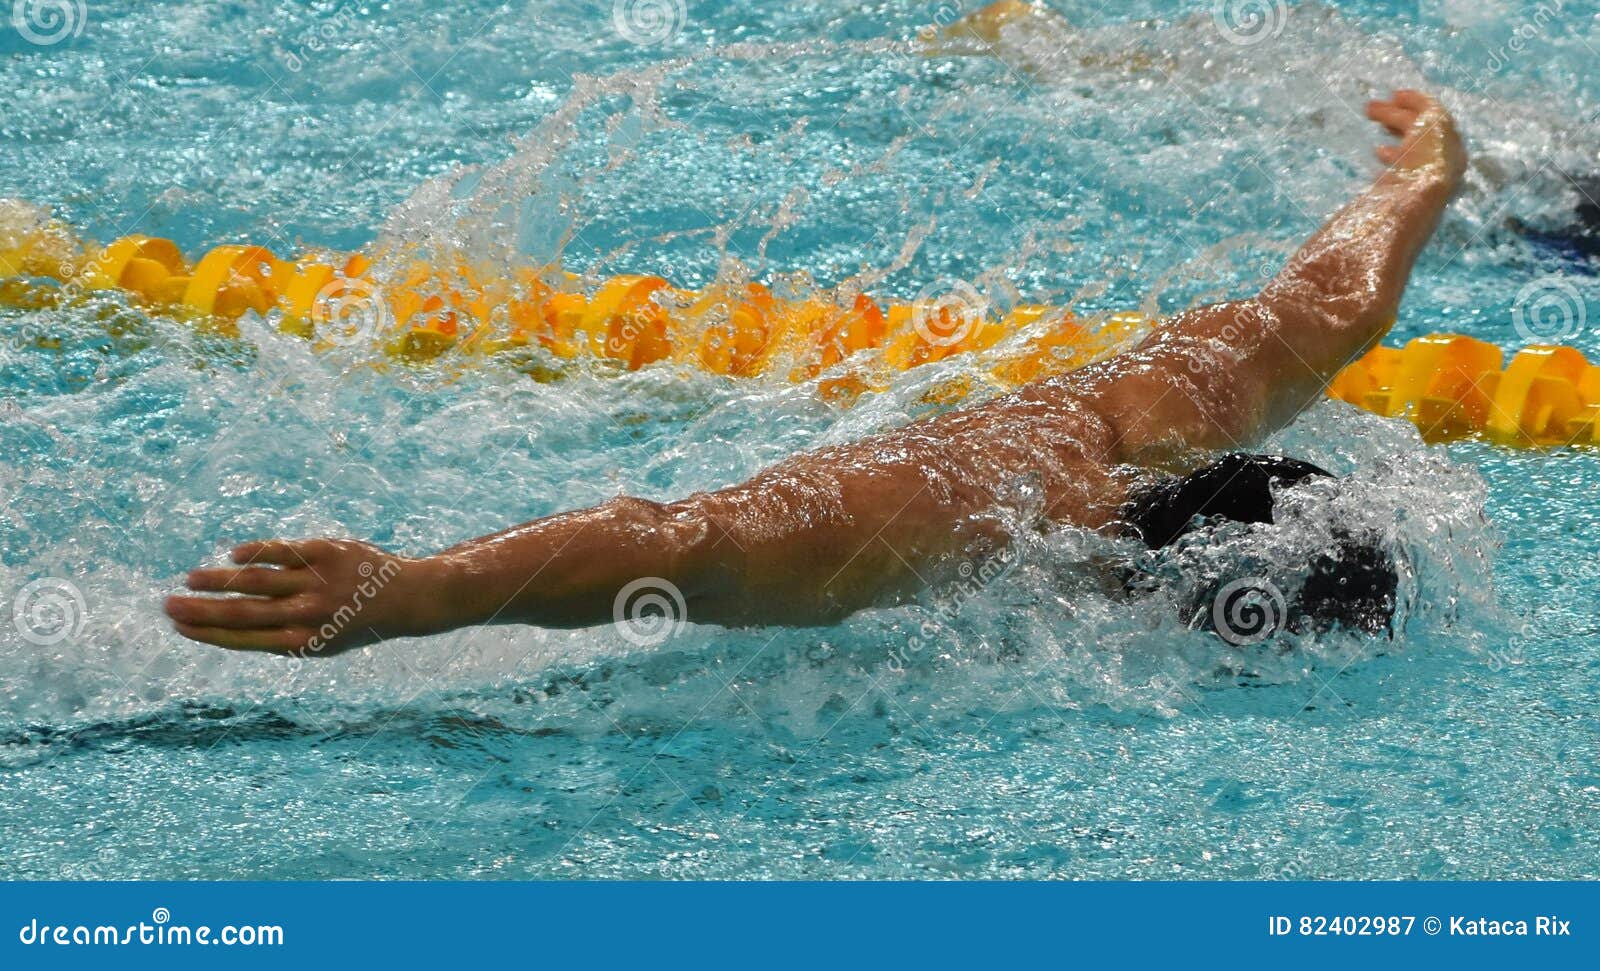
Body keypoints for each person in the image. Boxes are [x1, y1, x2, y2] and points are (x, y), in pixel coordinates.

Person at [164, 90, 1465, 657]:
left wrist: (1432, 168)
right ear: (1151, 594)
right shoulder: (953, 521)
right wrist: (417, 593)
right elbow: (682, 537)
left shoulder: (1212, 392)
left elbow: (1334, 294)